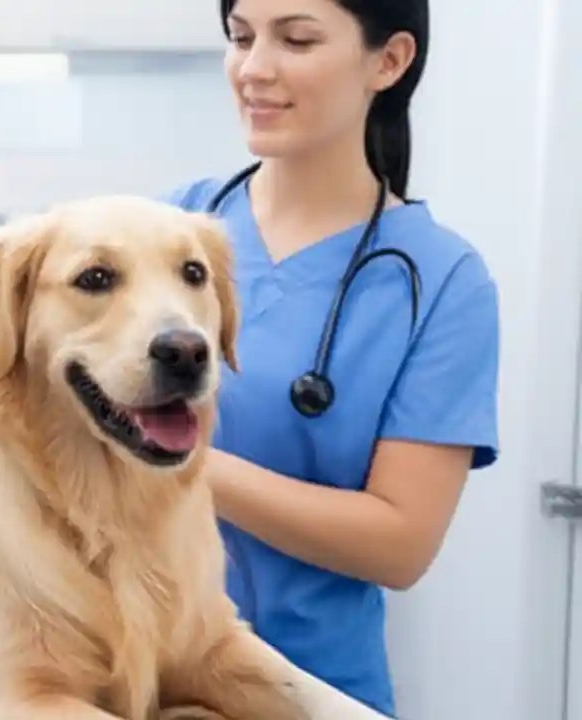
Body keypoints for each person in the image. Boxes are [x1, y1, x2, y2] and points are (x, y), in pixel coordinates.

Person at [162, 0, 499, 716]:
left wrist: (184, 461)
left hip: (313, 691)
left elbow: (399, 544)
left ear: (390, 60)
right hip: (141, 678)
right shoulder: (169, 231)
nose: (254, 69)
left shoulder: (439, 280)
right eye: (241, 38)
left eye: (297, 39)